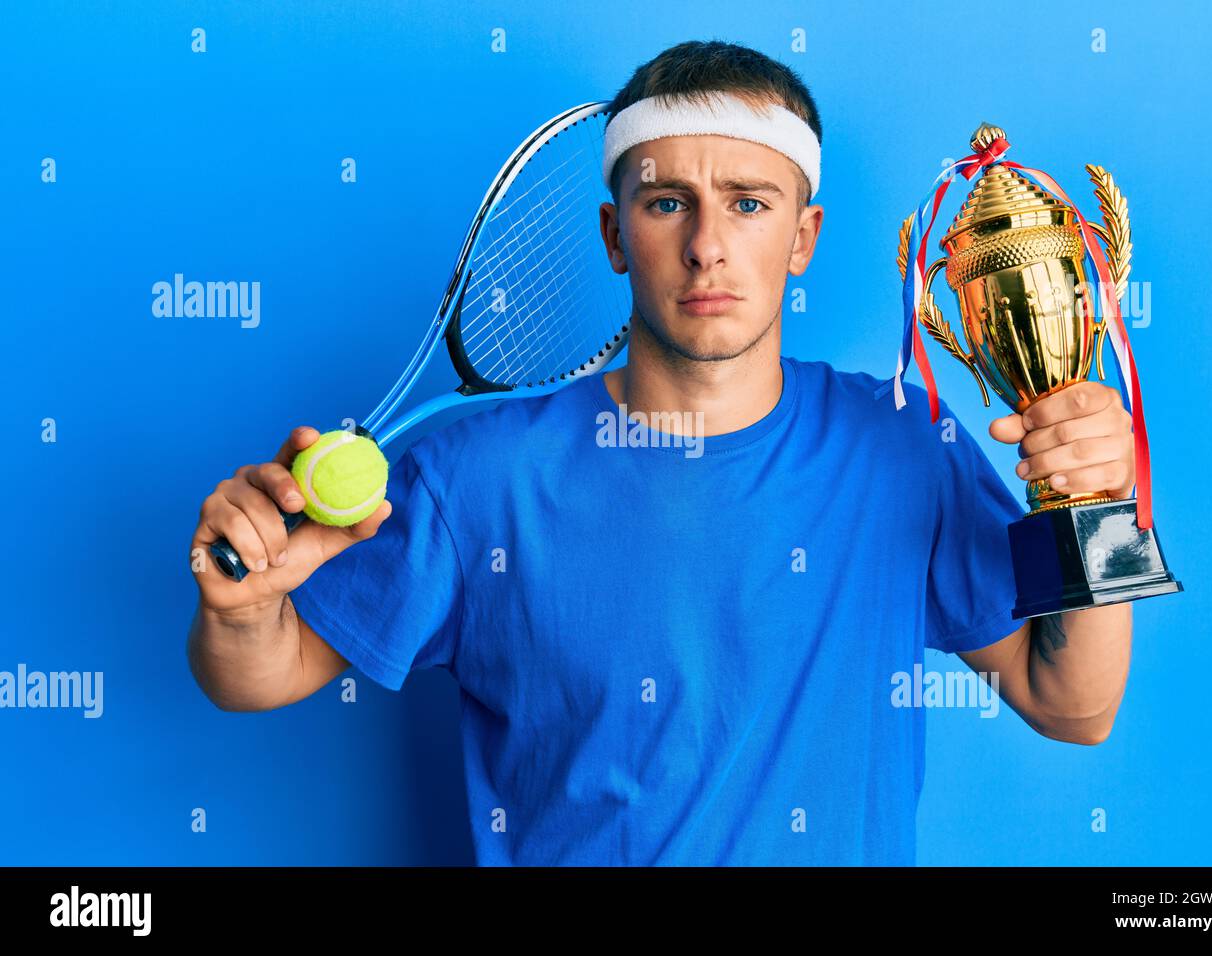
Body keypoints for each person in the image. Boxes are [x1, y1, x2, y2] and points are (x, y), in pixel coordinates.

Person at [187, 40, 1138, 866]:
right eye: (667, 202)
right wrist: (244, 604)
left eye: (750, 203)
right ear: (613, 233)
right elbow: (258, 675)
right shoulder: (477, 478)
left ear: (804, 237)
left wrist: (1099, 508)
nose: (708, 247)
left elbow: (1072, 704)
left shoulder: (903, 446)